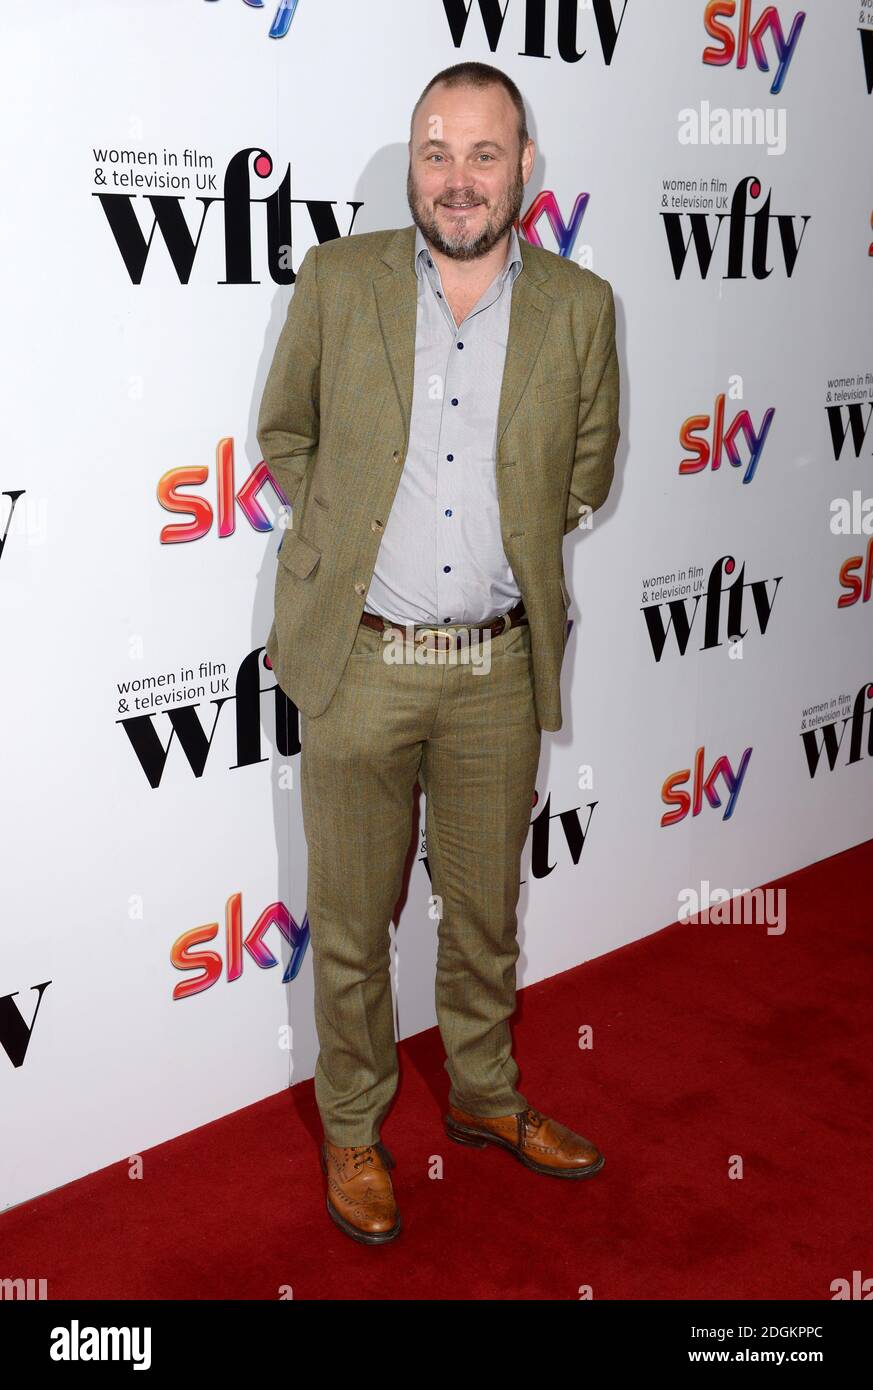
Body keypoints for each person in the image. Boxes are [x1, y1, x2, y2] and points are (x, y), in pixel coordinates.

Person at [256, 60, 620, 1245]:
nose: (458, 178)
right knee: (353, 924)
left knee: (483, 914)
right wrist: (350, 534)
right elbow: (288, 431)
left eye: (483, 153)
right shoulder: (338, 277)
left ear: (526, 167)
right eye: (436, 151)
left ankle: (483, 1099)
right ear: (411, 165)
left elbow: (587, 471)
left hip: (496, 672)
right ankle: (355, 1128)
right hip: (358, 661)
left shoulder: (581, 304)